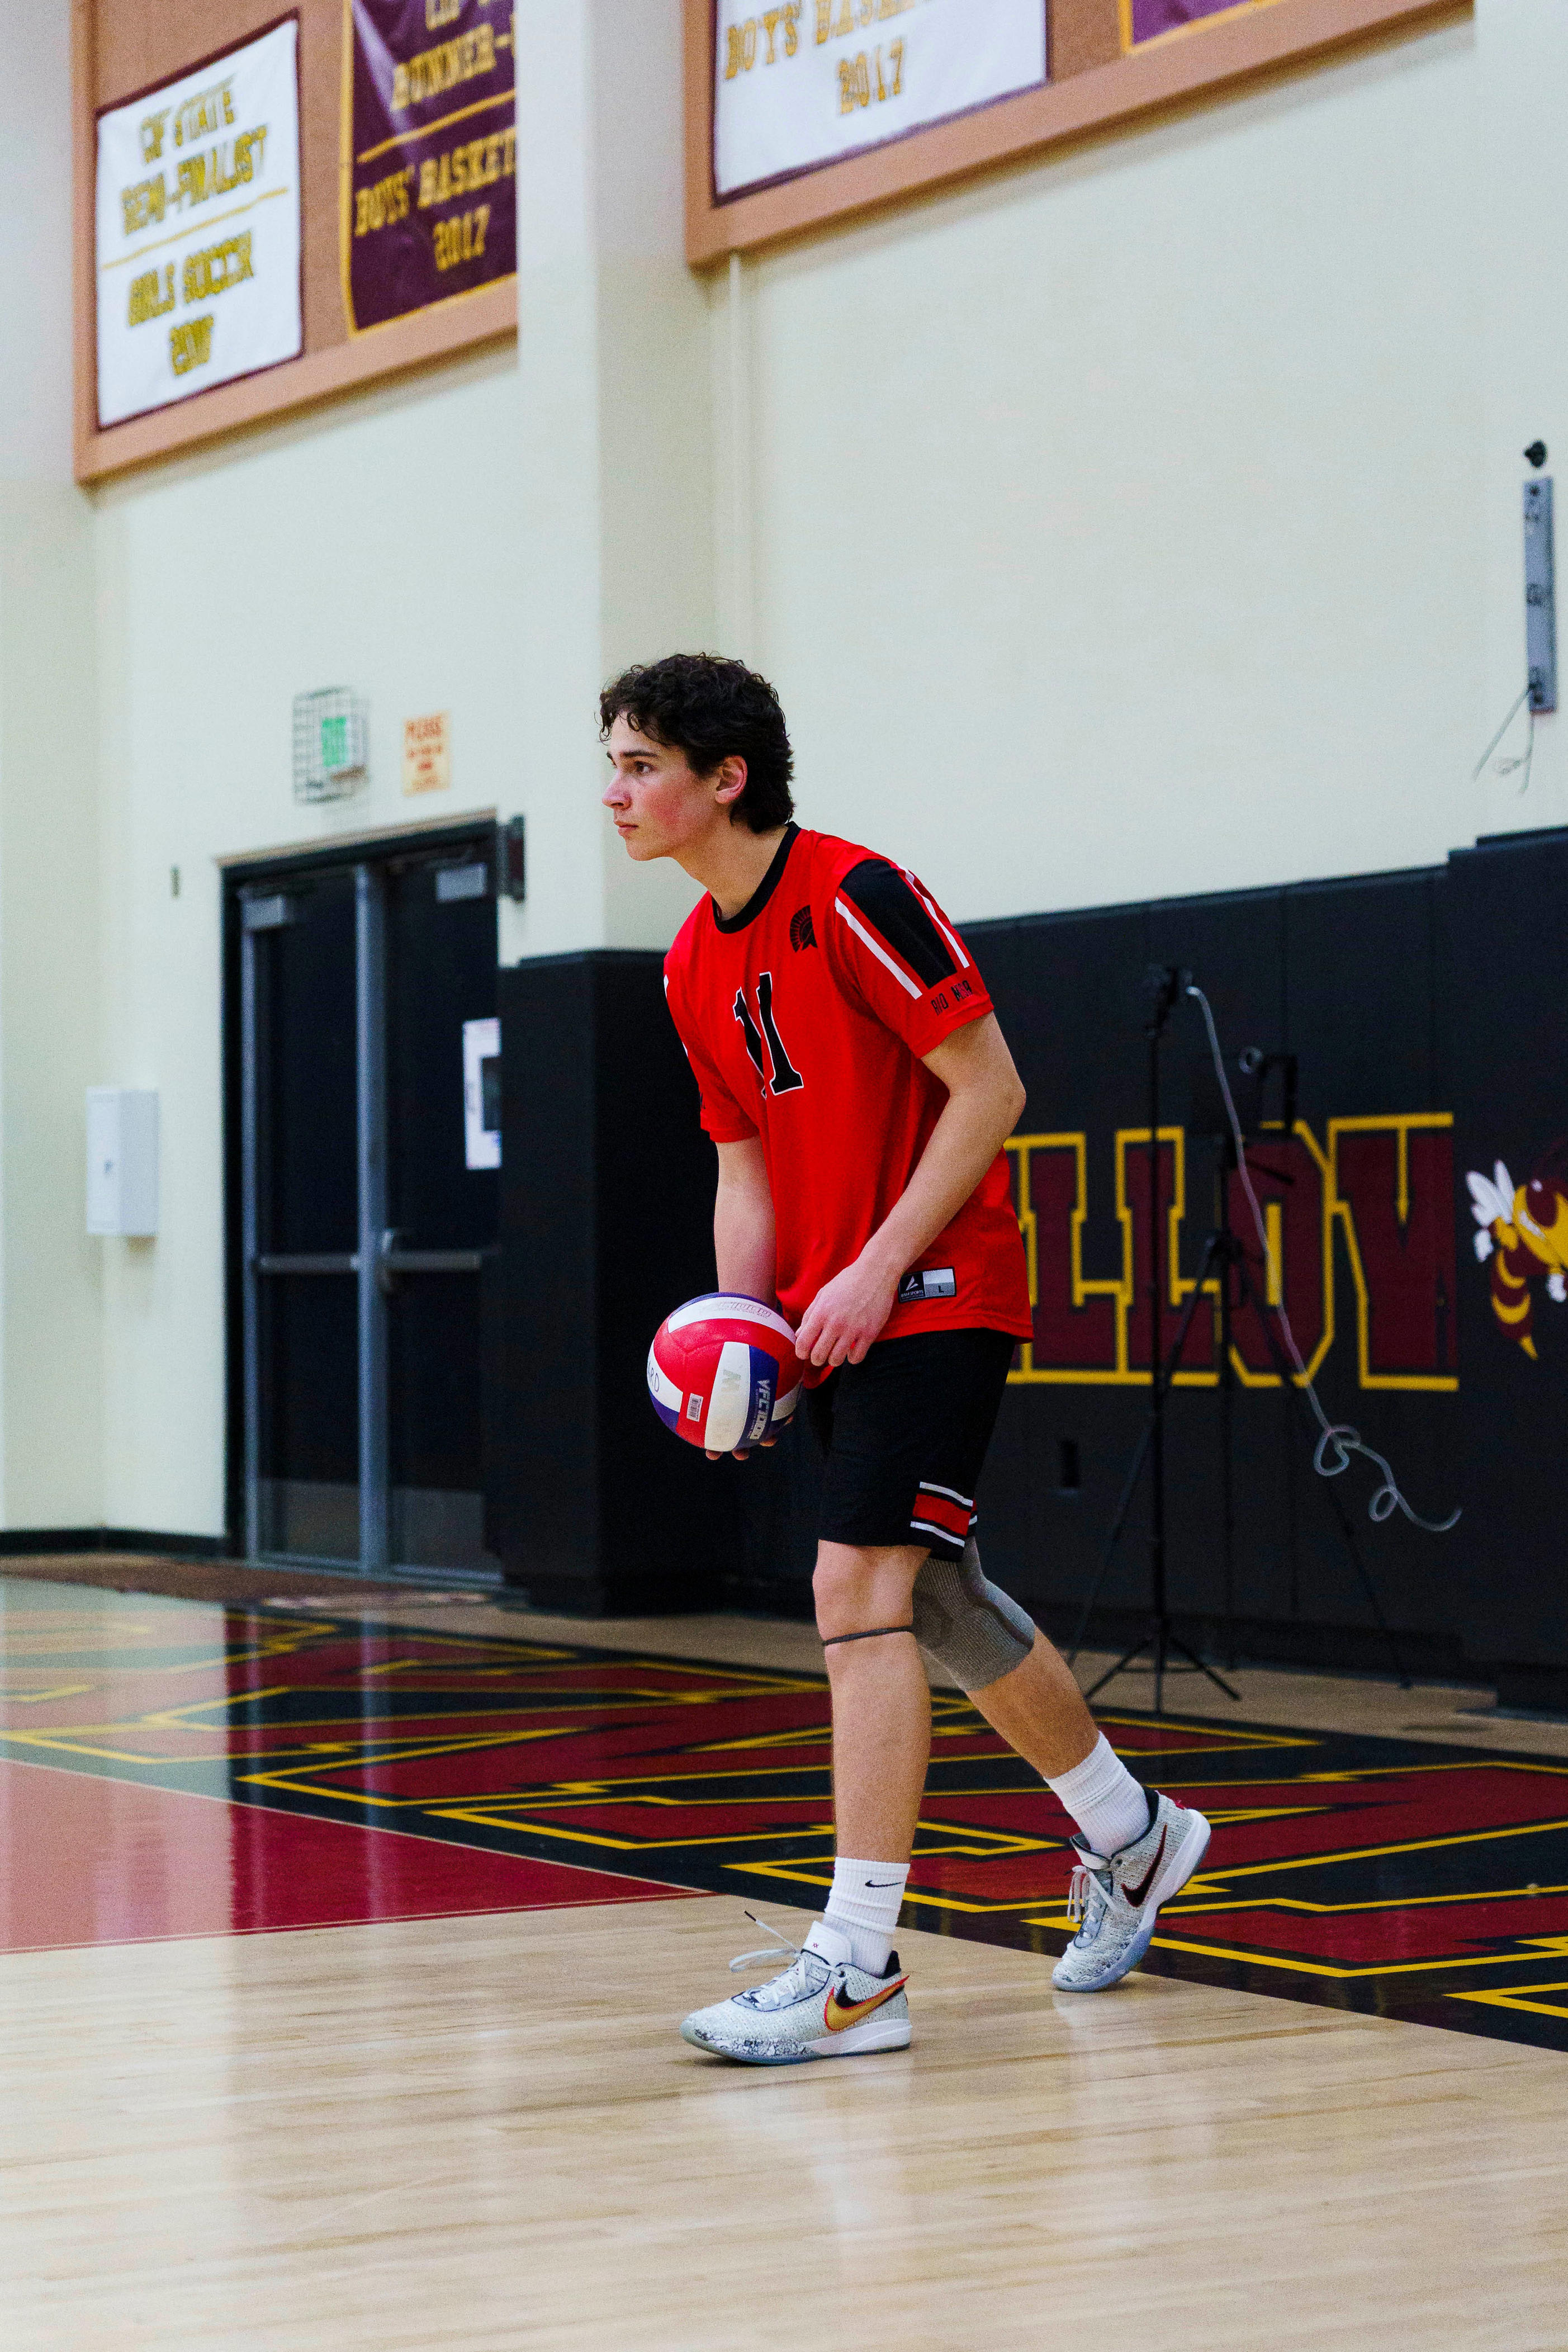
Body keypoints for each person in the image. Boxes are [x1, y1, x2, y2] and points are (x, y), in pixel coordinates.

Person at [600, 654, 1211, 2064]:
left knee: (853, 1588)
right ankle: (1134, 1835)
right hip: (825, 1322)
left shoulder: (854, 894)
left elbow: (990, 1085)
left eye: (639, 764)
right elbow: (740, 1169)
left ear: (724, 776)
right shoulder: (695, 957)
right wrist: (735, 1339)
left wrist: (879, 1262)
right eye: (615, 766)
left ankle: (857, 1965)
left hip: (934, 1293)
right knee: (933, 1599)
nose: (616, 795)